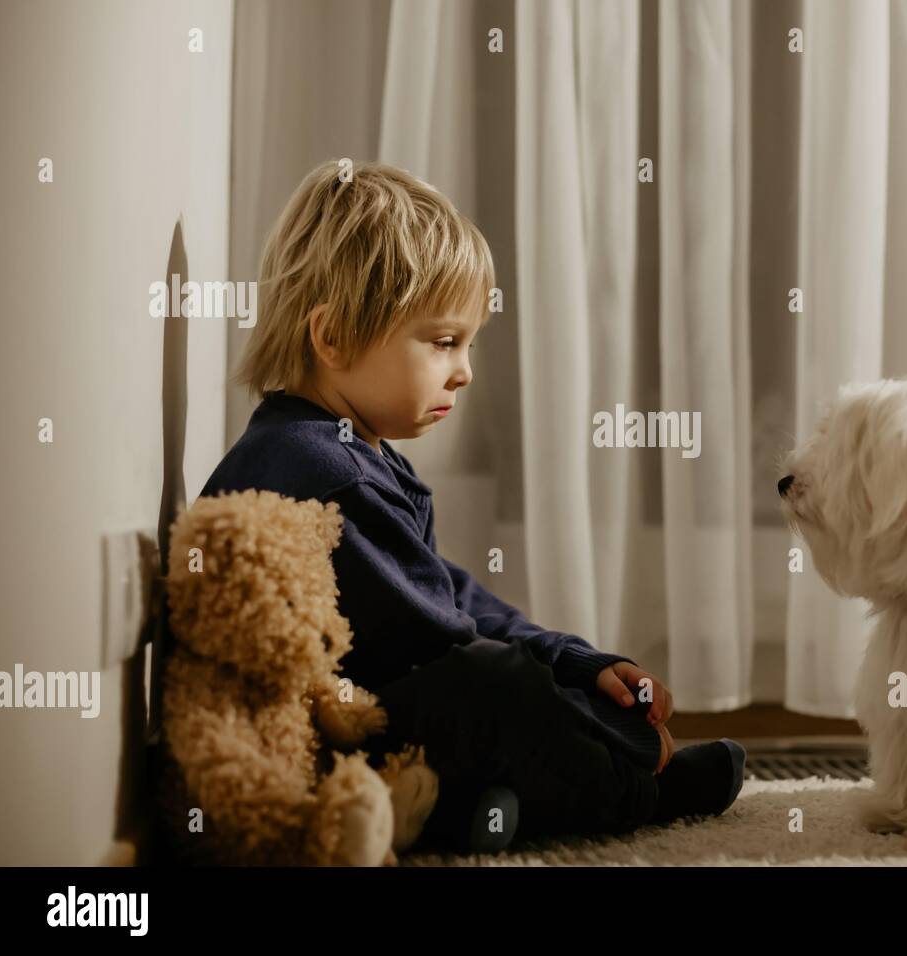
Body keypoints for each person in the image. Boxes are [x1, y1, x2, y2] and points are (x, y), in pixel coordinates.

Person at [200, 159, 745, 855]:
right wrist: (615, 729)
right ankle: (643, 788)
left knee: (504, 685)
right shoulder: (328, 473)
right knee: (495, 687)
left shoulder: (335, 448)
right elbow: (443, 644)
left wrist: (576, 662)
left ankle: (461, 810)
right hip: (319, 745)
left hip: (364, 722)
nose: (465, 370)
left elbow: (445, 591)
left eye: (469, 343)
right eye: (443, 341)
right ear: (332, 337)